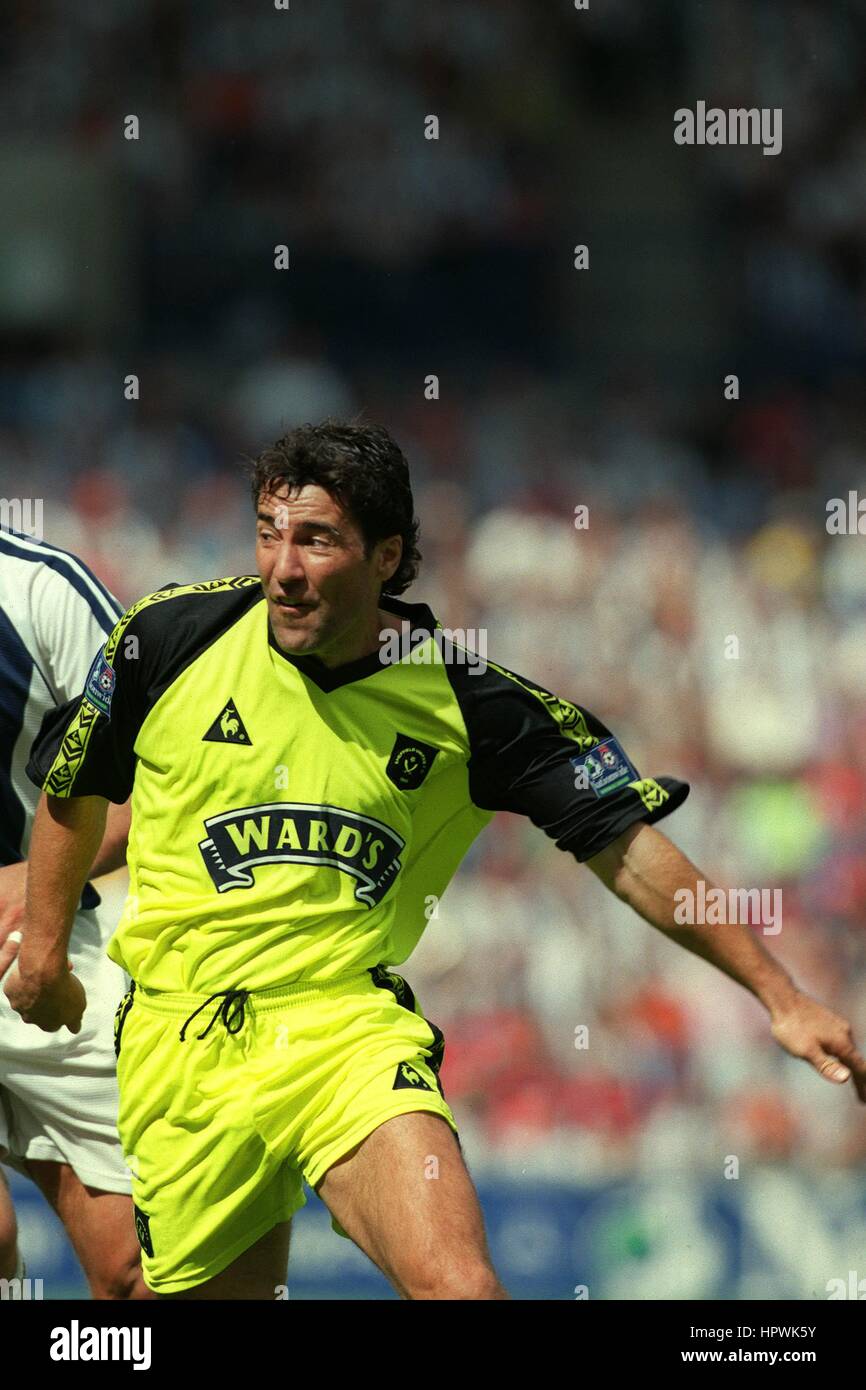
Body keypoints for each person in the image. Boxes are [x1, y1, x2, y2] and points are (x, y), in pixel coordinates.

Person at [7, 420, 865, 1301]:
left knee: (462, 1291)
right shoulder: (169, 637)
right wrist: (42, 950)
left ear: (387, 557)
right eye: (269, 533)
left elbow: (632, 852)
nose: (284, 568)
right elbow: (75, 789)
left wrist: (781, 995)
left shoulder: (469, 700)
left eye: (317, 540)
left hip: (343, 1033)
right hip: (179, 1041)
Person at [0, 529, 150, 1299]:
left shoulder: (43, 590)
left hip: (46, 942)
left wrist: (33, 881)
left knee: (142, 1269)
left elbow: (162, 781)